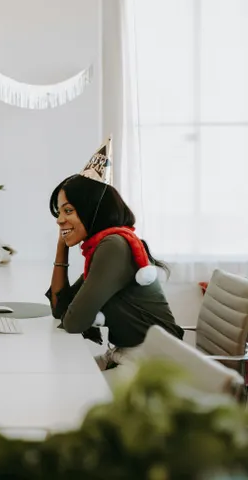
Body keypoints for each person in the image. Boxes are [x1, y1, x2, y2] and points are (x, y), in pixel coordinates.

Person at [46, 139, 183, 371]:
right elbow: (61, 309)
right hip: (130, 356)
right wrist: (62, 245)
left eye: (68, 210)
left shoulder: (113, 247)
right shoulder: (102, 247)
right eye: (59, 212)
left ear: (92, 210)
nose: (60, 219)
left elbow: (73, 322)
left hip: (156, 364)